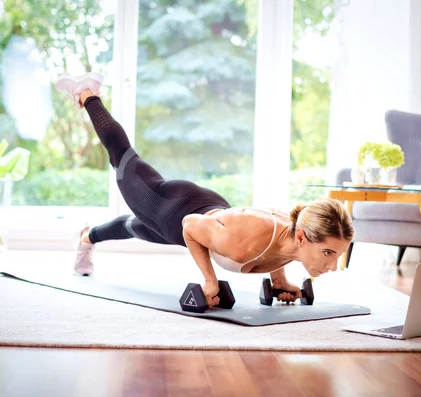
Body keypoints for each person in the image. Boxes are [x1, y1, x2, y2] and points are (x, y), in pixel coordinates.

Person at [55, 72, 354, 308]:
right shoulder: (244, 239)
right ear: (303, 237)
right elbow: (189, 226)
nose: (331, 264)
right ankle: (87, 92)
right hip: (173, 208)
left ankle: (87, 236)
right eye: (328, 252)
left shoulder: (297, 241)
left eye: (336, 254)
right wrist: (209, 280)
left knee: (138, 227)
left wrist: (280, 282)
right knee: (122, 157)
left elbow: (280, 248)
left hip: (207, 207)